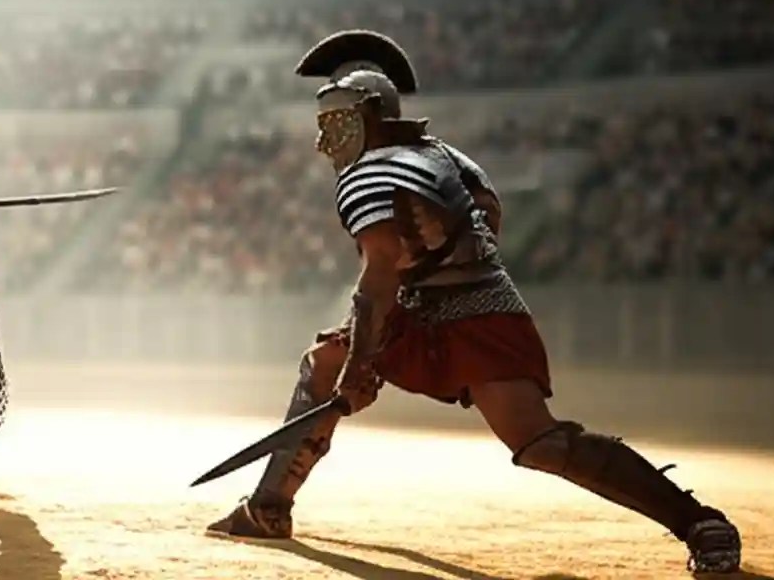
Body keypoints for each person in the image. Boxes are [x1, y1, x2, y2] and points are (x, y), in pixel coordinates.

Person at [207, 30, 741, 574]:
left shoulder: (372, 173)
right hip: (443, 305)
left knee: (539, 442)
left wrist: (359, 365)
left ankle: (698, 521)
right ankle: (269, 508)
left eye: (339, 122)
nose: (329, 139)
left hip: (467, 311)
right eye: (325, 124)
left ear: (369, 117)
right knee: (323, 363)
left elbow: (378, 278)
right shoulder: (446, 156)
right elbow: (484, 221)